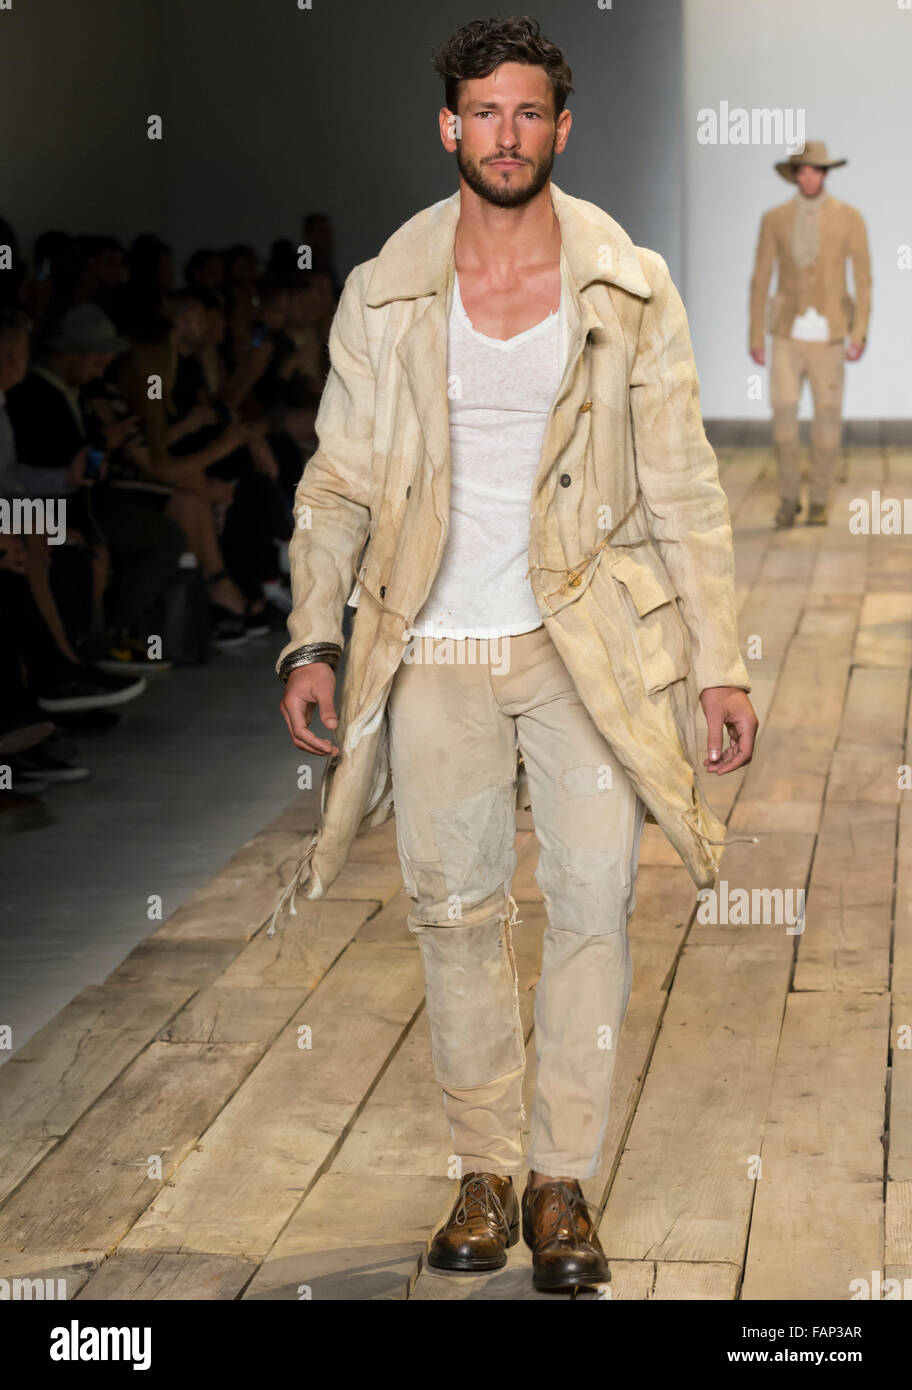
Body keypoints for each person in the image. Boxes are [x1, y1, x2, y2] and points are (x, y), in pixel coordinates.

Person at [273, 15, 758, 1293]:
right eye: (483, 113)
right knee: (454, 913)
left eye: (528, 112)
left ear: (562, 126)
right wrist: (312, 638)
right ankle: (484, 1170)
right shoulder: (385, 290)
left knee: (594, 907)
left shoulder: (626, 283)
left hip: (582, 639)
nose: (506, 134)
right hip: (429, 645)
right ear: (449, 127)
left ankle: (560, 1184)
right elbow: (335, 487)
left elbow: (685, 489)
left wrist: (722, 663)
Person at [749, 140, 871, 528]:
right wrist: (756, 334)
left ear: (825, 173)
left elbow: (864, 280)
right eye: (803, 170)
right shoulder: (775, 218)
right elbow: (761, 278)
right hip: (786, 333)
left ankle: (818, 500)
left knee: (828, 420)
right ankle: (788, 500)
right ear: (795, 175)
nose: (809, 176)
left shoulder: (850, 217)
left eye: (816, 169)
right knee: (783, 416)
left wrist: (860, 332)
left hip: (832, 334)